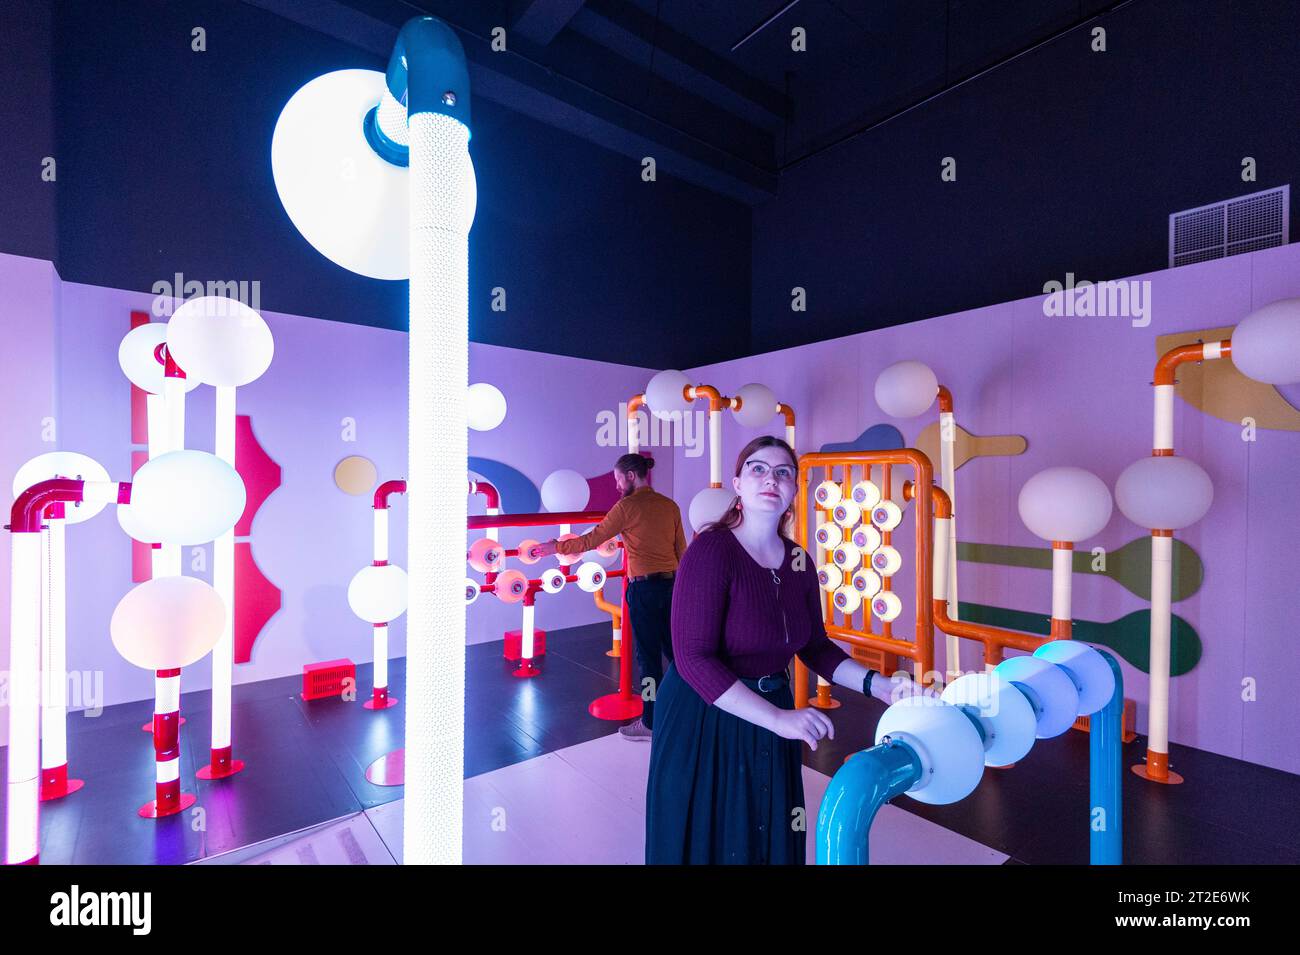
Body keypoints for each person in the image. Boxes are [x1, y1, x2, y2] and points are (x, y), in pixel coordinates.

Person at [645, 435, 895, 864]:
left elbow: (815, 646)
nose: (770, 479)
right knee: (711, 831)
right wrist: (779, 719)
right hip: (704, 715)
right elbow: (692, 658)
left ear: (794, 490)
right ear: (738, 484)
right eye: (758, 469)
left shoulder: (798, 561)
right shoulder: (711, 550)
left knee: (767, 825)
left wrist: (881, 686)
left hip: (773, 711)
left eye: (783, 473)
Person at [533, 453, 686, 740]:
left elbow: (592, 540)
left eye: (617, 479)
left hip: (643, 591)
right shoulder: (669, 506)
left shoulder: (626, 507)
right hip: (672, 587)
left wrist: (554, 547)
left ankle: (652, 722)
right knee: (678, 654)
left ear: (630, 476)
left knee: (649, 661)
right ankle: (689, 708)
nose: (616, 485)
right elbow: (682, 552)